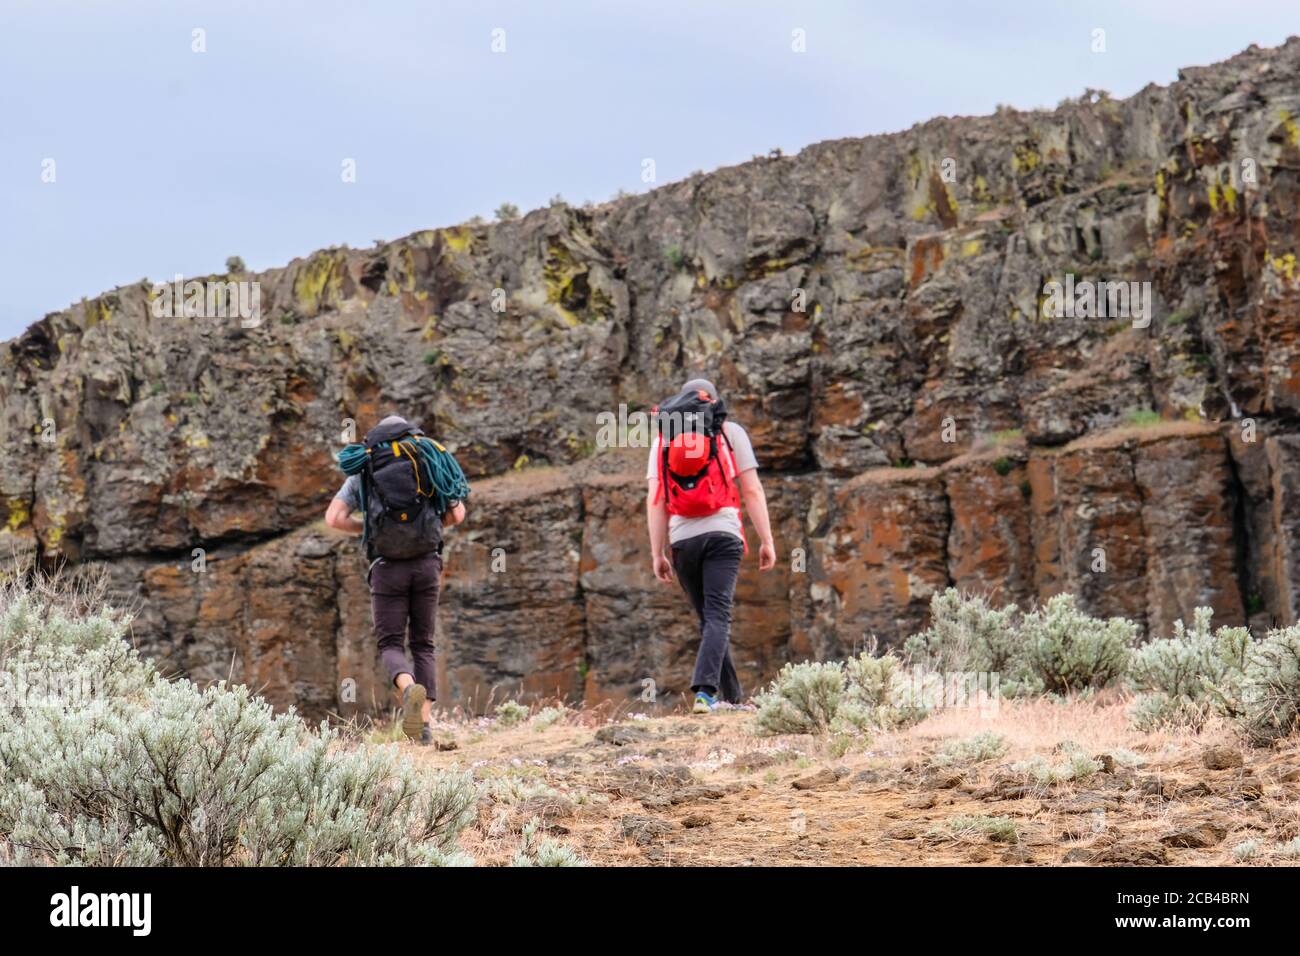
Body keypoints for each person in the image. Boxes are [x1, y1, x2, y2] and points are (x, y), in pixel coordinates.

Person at [326, 415, 467, 744]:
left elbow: (333, 519)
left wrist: (370, 530)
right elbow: (457, 514)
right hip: (427, 564)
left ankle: (408, 689)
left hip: (386, 566)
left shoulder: (366, 468)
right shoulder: (428, 460)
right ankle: (425, 727)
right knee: (423, 644)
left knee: (390, 643)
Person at [646, 379, 776, 713]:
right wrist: (766, 540)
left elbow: (655, 500)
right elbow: (752, 490)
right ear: (713, 401)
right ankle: (705, 692)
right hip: (724, 534)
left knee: (710, 620)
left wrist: (657, 552)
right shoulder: (729, 432)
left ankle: (732, 700)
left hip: (682, 542)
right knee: (717, 617)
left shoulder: (664, 437)